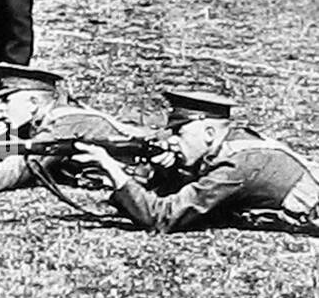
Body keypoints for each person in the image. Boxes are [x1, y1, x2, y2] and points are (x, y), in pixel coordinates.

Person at [77, 91, 319, 233]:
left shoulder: (237, 165)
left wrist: (112, 170)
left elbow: (163, 218)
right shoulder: (231, 147)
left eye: (178, 134)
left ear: (210, 134)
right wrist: (165, 173)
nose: (170, 141)